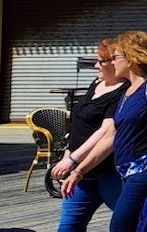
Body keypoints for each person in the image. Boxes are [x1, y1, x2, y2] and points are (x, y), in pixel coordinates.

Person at [61, 31, 147, 232]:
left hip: (144, 170)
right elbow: (110, 137)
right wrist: (79, 171)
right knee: (137, 226)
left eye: (115, 57)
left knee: (120, 226)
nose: (112, 62)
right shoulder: (128, 92)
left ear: (131, 59)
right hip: (126, 171)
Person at [53, 39, 127, 232]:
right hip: (82, 175)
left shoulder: (125, 91)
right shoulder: (97, 83)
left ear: (115, 62)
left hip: (109, 172)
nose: (96, 66)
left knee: (129, 223)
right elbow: (80, 123)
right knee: (69, 226)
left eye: (101, 62)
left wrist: (73, 159)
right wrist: (68, 152)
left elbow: (105, 132)